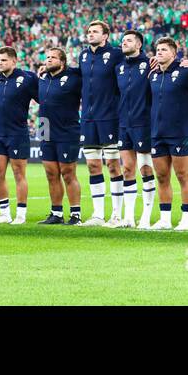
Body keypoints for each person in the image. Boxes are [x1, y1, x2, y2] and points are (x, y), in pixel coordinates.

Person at [147, 37, 188, 230]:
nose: (159, 52)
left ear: (174, 53)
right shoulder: (152, 76)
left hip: (179, 133)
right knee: (161, 177)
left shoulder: (185, 73)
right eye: (158, 49)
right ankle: (165, 219)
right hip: (156, 133)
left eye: (164, 50)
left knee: (182, 175)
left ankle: (186, 219)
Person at [75, 20, 123, 226]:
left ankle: (117, 213)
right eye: (89, 31)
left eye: (95, 31)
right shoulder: (83, 55)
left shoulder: (116, 54)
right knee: (93, 165)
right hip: (88, 118)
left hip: (109, 117)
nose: (90, 34)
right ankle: (97, 214)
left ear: (105, 36)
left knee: (113, 165)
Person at [0, 46, 37, 224]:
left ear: (14, 61)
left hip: (18, 133)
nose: (0, 63)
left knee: (18, 174)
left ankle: (21, 214)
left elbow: (44, 98)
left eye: (4, 60)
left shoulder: (27, 79)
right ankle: (4, 213)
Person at [36, 47, 83, 225]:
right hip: (44, 127)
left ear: (62, 62)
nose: (48, 60)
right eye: (47, 57)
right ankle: (56, 213)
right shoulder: (42, 78)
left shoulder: (74, 77)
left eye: (53, 58)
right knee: (51, 173)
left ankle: (75, 215)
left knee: (68, 173)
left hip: (67, 129)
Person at [113, 29, 155, 228]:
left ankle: (146, 216)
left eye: (128, 40)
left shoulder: (150, 64)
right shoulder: (119, 67)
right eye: (122, 40)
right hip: (123, 124)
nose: (124, 42)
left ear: (138, 45)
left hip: (143, 123)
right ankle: (128, 216)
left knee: (146, 169)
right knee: (127, 169)